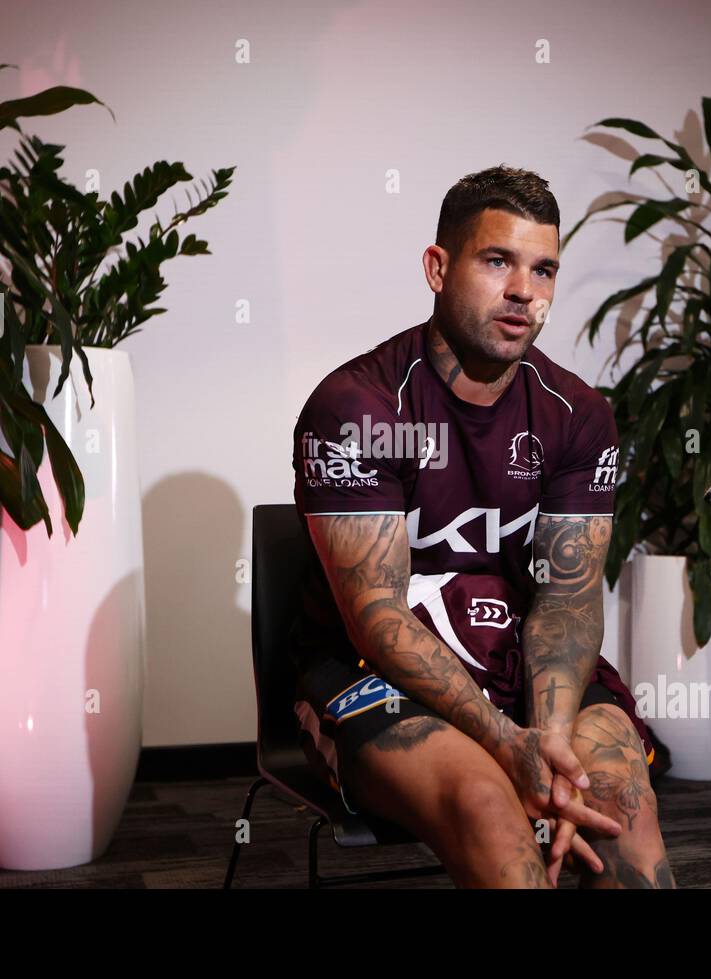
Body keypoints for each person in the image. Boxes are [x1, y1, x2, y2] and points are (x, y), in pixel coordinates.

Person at [288, 165, 674, 888]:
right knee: (488, 807)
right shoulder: (358, 408)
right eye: (498, 261)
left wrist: (551, 742)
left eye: (544, 269)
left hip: (513, 654)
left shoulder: (579, 413)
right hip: (375, 670)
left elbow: (567, 598)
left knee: (620, 800)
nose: (524, 290)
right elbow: (376, 616)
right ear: (438, 268)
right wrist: (506, 742)